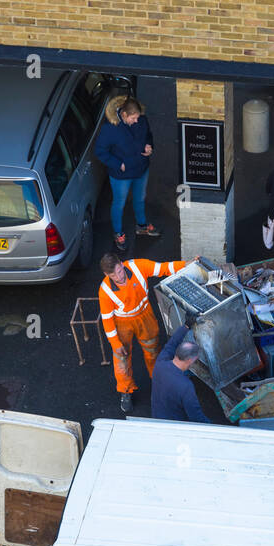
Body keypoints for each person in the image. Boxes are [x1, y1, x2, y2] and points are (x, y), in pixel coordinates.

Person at [99, 252, 186, 412]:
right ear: (107, 275)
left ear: (122, 264)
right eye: (114, 275)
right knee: (122, 359)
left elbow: (164, 268)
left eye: (120, 270)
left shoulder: (139, 266)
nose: (119, 277)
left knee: (153, 352)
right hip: (122, 323)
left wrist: (186, 265)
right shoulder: (105, 291)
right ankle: (125, 390)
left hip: (145, 316)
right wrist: (115, 343)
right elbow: (107, 320)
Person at [96, 96, 158, 253]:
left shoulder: (142, 119)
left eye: (138, 117)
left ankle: (142, 226)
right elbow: (100, 152)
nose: (137, 121)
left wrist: (149, 146)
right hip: (121, 175)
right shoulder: (109, 128)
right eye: (133, 118)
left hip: (141, 168)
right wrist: (118, 164)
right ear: (124, 115)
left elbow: (148, 135)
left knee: (140, 198)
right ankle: (118, 233)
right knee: (119, 203)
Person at [152, 321, 210, 423]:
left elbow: (172, 344)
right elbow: (195, 416)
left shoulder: (160, 362)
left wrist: (186, 326)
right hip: (175, 424)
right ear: (189, 361)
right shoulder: (186, 386)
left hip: (157, 415)